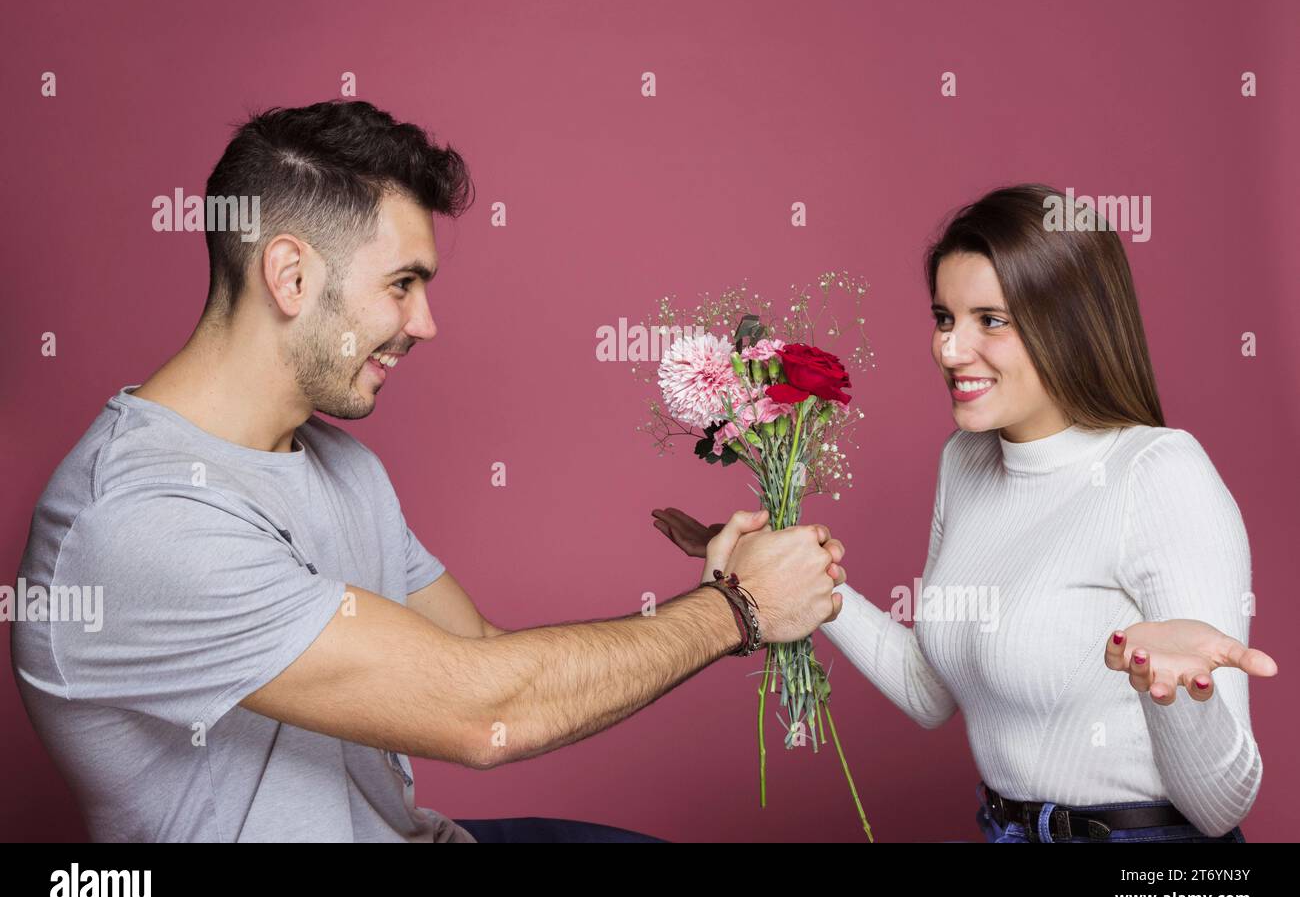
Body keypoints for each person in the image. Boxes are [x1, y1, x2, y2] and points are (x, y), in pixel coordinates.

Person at [9, 99, 845, 843]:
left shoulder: (340, 464)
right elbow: (487, 713)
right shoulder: (140, 519)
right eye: (403, 284)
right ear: (292, 276)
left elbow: (477, 652)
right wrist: (735, 611)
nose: (427, 323)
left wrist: (721, 588)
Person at [653, 184, 1277, 843]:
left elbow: (1221, 809)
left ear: (1069, 322)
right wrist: (781, 563)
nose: (950, 351)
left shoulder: (1159, 472)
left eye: (991, 320)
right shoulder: (966, 463)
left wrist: (1184, 697)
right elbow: (930, 690)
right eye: (945, 318)